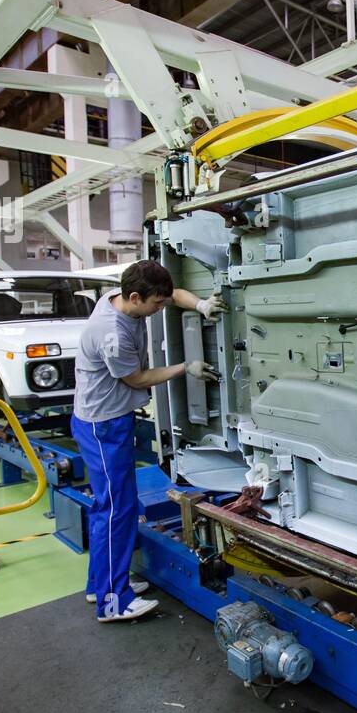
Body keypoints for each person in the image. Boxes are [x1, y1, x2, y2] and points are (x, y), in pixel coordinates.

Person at [72, 260, 226, 622]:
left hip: (107, 420)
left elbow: (173, 297)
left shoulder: (120, 296)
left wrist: (201, 304)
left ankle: (101, 585)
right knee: (117, 510)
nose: (160, 309)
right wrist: (185, 367)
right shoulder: (111, 333)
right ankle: (114, 601)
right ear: (136, 297)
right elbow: (138, 379)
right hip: (103, 427)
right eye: (155, 305)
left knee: (108, 507)